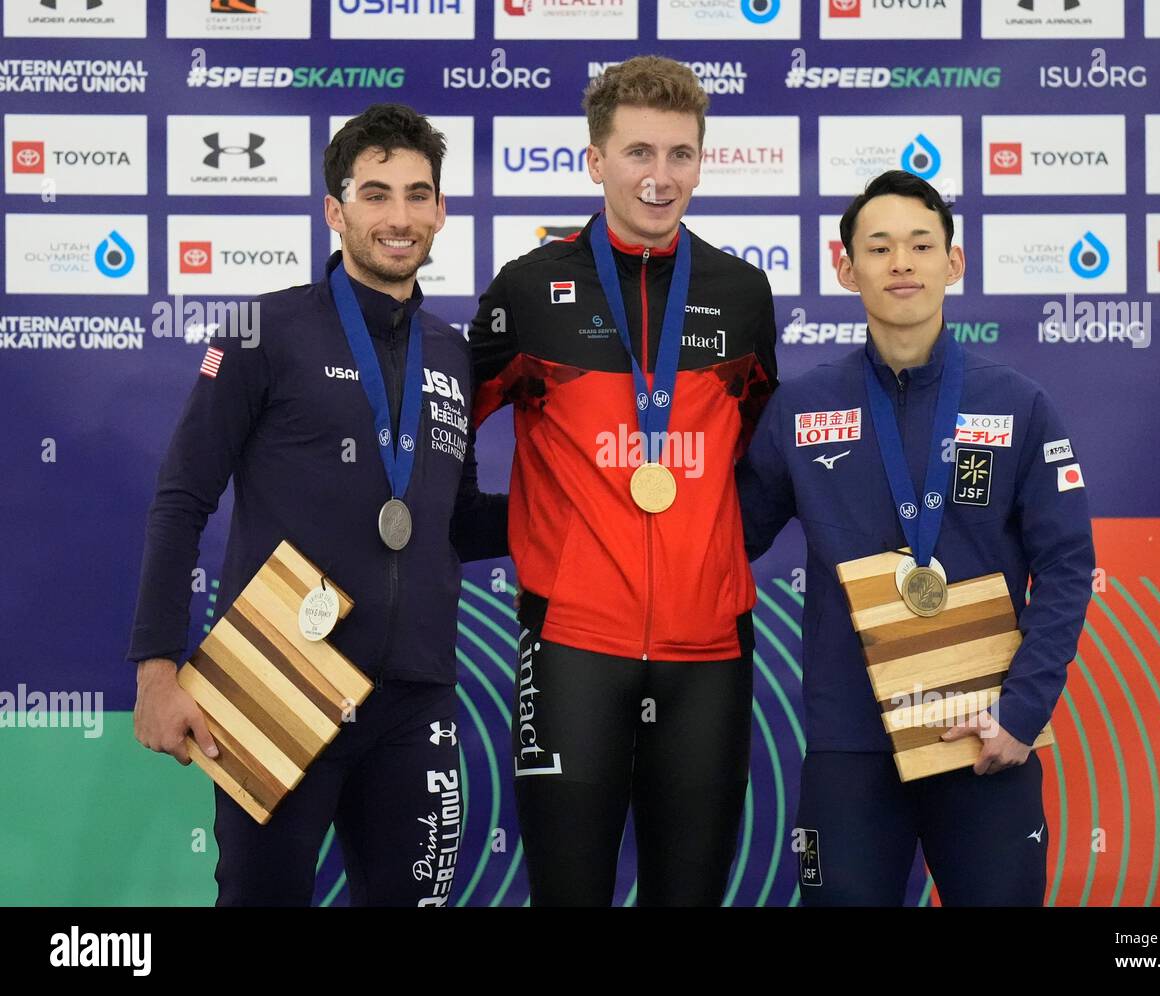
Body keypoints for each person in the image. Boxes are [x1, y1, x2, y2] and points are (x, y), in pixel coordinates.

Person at [127, 103, 506, 907]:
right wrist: (158, 668)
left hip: (415, 695)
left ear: (441, 210)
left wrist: (579, 504)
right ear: (335, 210)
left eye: (417, 194)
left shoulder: (452, 352)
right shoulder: (263, 329)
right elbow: (182, 499)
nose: (398, 218)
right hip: (278, 675)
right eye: (375, 194)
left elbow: (456, 522)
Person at [469, 56, 779, 906]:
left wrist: (714, 551)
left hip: (709, 652)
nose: (660, 177)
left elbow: (758, 453)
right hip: (572, 648)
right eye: (639, 152)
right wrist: (503, 525)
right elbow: (445, 417)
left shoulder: (742, 293)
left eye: (681, 154)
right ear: (595, 160)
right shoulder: (531, 291)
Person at [738, 170, 1095, 906]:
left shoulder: (1020, 406)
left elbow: (1066, 568)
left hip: (982, 732)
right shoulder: (802, 409)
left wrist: (1022, 713)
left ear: (953, 263)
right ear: (847, 268)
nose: (901, 262)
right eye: (879, 247)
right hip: (850, 743)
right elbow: (726, 540)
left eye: (921, 244)